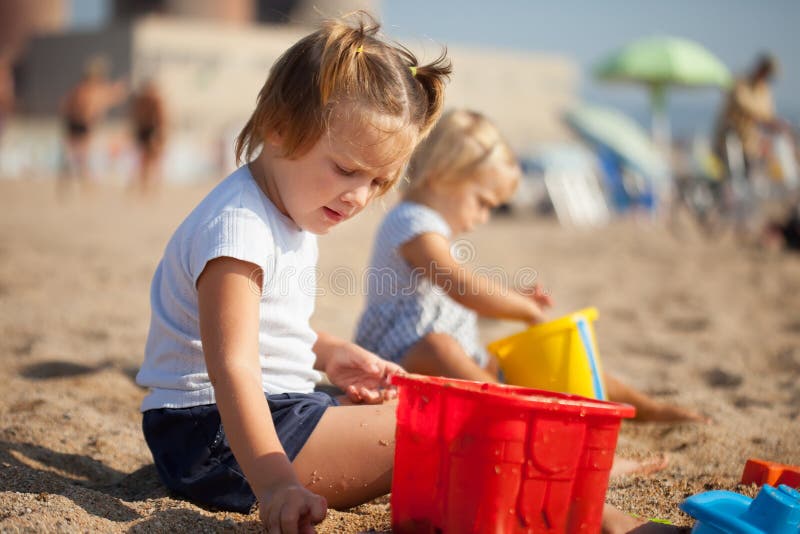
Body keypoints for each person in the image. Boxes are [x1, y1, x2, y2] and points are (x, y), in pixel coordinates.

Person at [135, 12, 451, 532]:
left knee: (420, 404)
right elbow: (232, 365)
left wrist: (329, 354)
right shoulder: (239, 229)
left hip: (254, 415)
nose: (358, 196)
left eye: (378, 182)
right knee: (434, 428)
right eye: (347, 169)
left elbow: (259, 328)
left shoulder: (290, 204)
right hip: (213, 438)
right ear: (278, 128)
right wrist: (276, 484)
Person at [355, 109, 707, 425]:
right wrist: (521, 308)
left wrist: (510, 296)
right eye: (481, 202)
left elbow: (446, 304)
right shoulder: (411, 222)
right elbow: (460, 286)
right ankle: (517, 417)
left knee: (548, 361)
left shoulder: (435, 230)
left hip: (460, 362)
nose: (482, 218)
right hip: (398, 363)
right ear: (437, 176)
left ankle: (642, 408)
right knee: (440, 347)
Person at [712, 53, 793, 181]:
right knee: (731, 179)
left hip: (750, 145)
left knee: (746, 178)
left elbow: (768, 114)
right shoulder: (741, 83)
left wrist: (774, 124)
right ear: (761, 70)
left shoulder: (764, 91)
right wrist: (769, 120)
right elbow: (745, 105)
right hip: (729, 142)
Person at [59, 56, 127, 194]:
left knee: (74, 155)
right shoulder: (93, 90)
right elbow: (110, 97)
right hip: (83, 124)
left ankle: (73, 181)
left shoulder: (80, 88)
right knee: (81, 155)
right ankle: (82, 182)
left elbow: (66, 105)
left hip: (74, 123)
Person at [130, 79, 166, 195]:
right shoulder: (154, 100)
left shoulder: (141, 101)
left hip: (146, 130)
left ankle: (148, 186)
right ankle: (150, 186)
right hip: (150, 130)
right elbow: (161, 119)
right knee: (151, 160)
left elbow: (136, 118)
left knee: (147, 160)